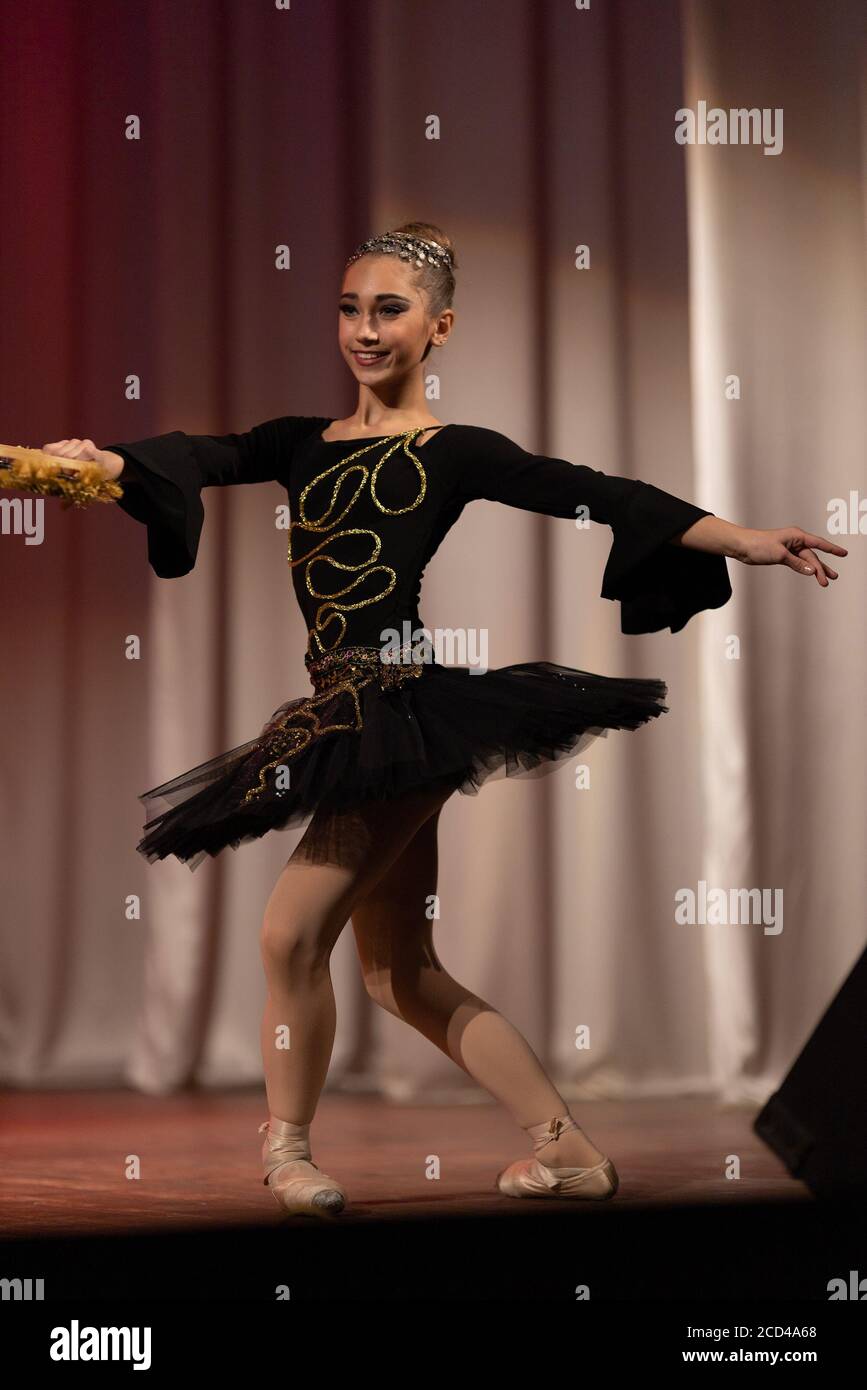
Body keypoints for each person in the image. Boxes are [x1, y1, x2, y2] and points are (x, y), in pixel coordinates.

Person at [41, 221, 846, 1217]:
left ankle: (286, 1149)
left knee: (289, 937)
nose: (364, 329)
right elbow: (189, 456)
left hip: (404, 711)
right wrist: (87, 463)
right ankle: (567, 1150)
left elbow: (597, 493)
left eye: (389, 309)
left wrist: (748, 540)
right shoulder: (298, 444)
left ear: (440, 326)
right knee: (400, 972)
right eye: (349, 308)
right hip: (339, 711)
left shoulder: (454, 450)